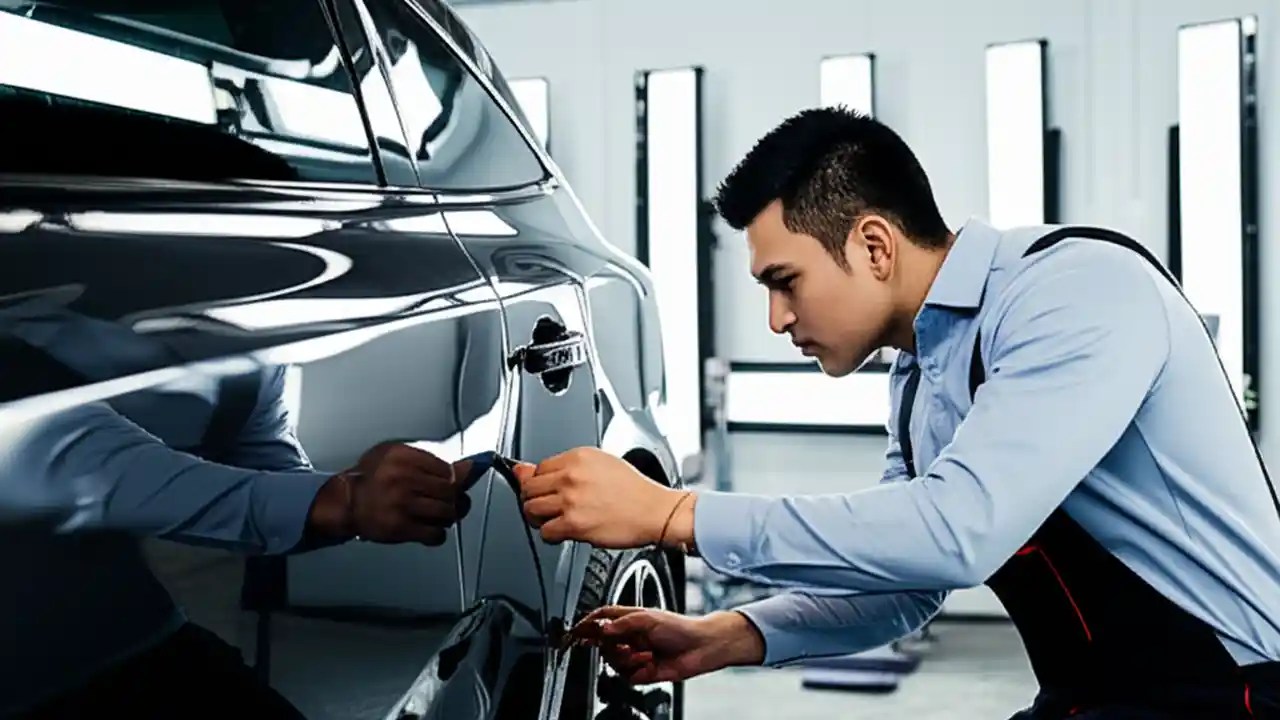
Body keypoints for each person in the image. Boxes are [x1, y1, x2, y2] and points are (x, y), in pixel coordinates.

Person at [514, 107, 1280, 718]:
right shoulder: (923, 371)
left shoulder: (1077, 292)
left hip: (1234, 693)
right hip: (1095, 699)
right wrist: (728, 636)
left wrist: (674, 514)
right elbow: (903, 581)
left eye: (786, 282)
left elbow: (958, 531)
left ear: (875, 245)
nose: (778, 320)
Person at [0, 297, 471, 718]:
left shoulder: (247, 305)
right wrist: (343, 500)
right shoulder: (33, 301)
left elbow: (270, 467)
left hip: (130, 635)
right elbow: (82, 464)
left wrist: (358, 488)